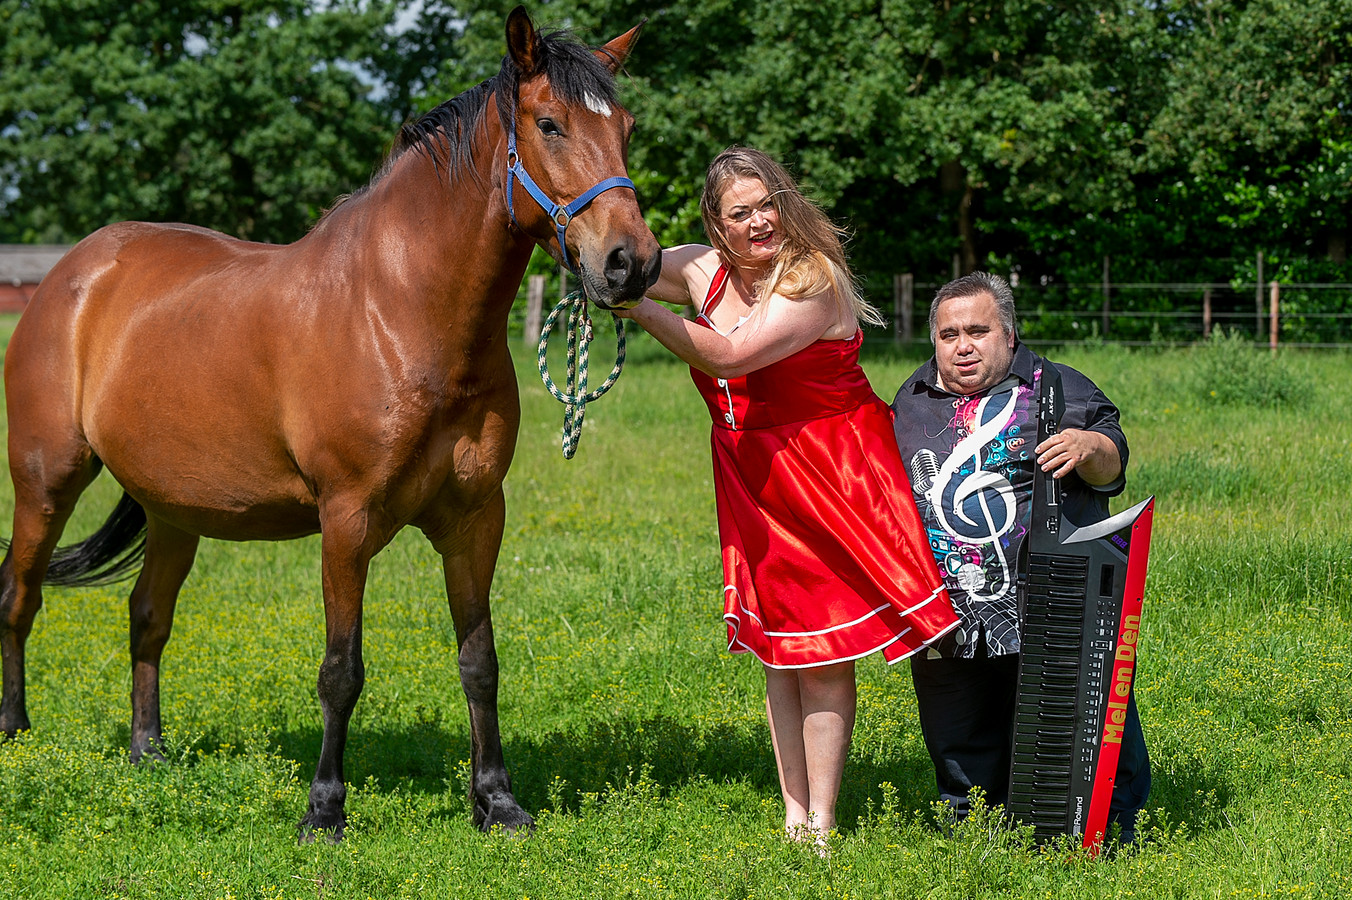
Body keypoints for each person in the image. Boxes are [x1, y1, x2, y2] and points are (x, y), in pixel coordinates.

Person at [615, 147, 959, 845]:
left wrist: (636, 306)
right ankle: (793, 817)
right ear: (717, 224)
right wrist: (588, 243)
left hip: (831, 474)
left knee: (824, 654)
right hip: (755, 476)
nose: (759, 222)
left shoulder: (811, 278)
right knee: (780, 651)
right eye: (740, 213)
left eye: (767, 204)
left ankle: (822, 824)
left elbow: (730, 356)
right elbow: (632, 256)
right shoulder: (704, 270)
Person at [889, 271, 1151, 843]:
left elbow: (1114, 464)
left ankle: (1106, 833)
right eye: (949, 334)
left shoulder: (1058, 387)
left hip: (1050, 601)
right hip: (947, 611)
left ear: (1009, 335)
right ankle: (976, 837)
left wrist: (1089, 446)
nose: (963, 346)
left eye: (977, 332)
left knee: (1077, 732)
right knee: (959, 740)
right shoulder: (910, 400)